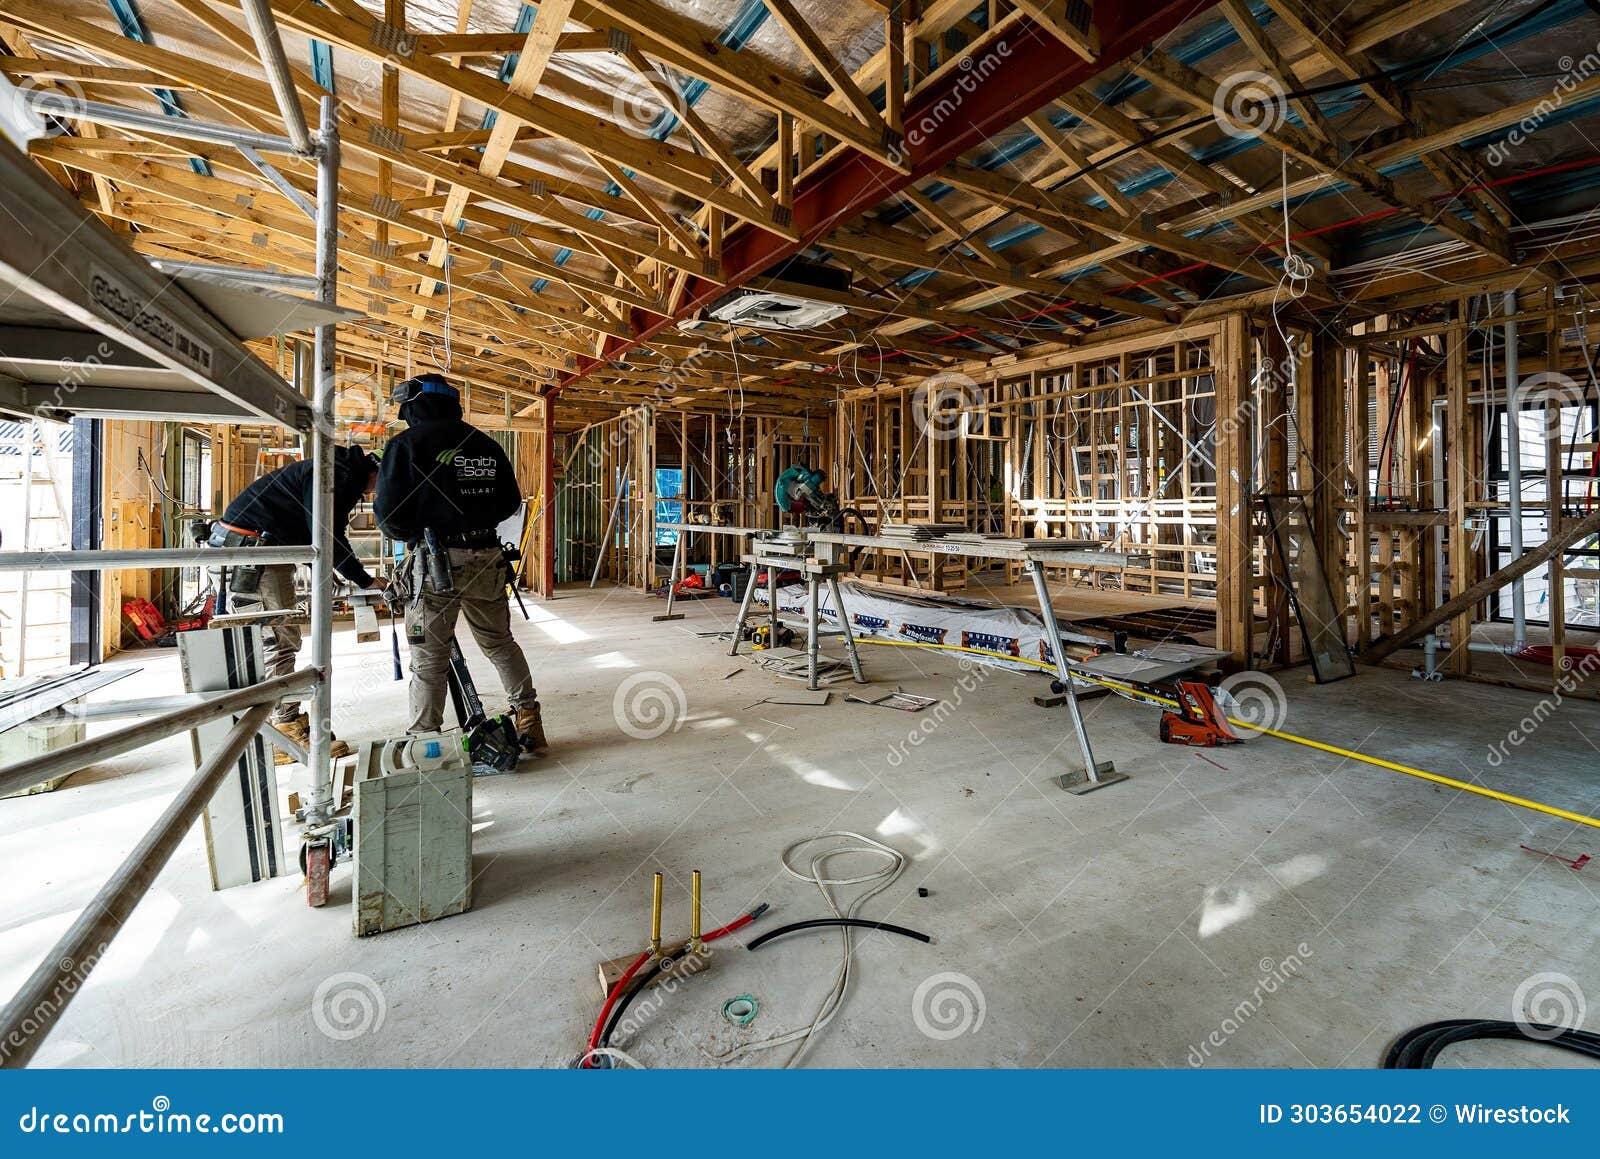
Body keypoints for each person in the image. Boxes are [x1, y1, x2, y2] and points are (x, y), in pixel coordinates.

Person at [373, 372, 547, 755]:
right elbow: (508, 504)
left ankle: (425, 743)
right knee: (500, 643)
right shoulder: (485, 444)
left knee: (429, 659)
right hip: (487, 557)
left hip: (436, 563)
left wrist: (426, 525)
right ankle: (529, 718)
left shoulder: (405, 445)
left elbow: (388, 518)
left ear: (413, 406)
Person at [207, 444, 382, 763]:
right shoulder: (337, 476)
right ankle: (284, 730)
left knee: (281, 638)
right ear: (375, 473)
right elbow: (326, 532)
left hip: (262, 551)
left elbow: (310, 528)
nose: (375, 493)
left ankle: (286, 716)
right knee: (277, 641)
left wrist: (328, 572)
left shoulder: (338, 471)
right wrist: (364, 579)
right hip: (252, 557)